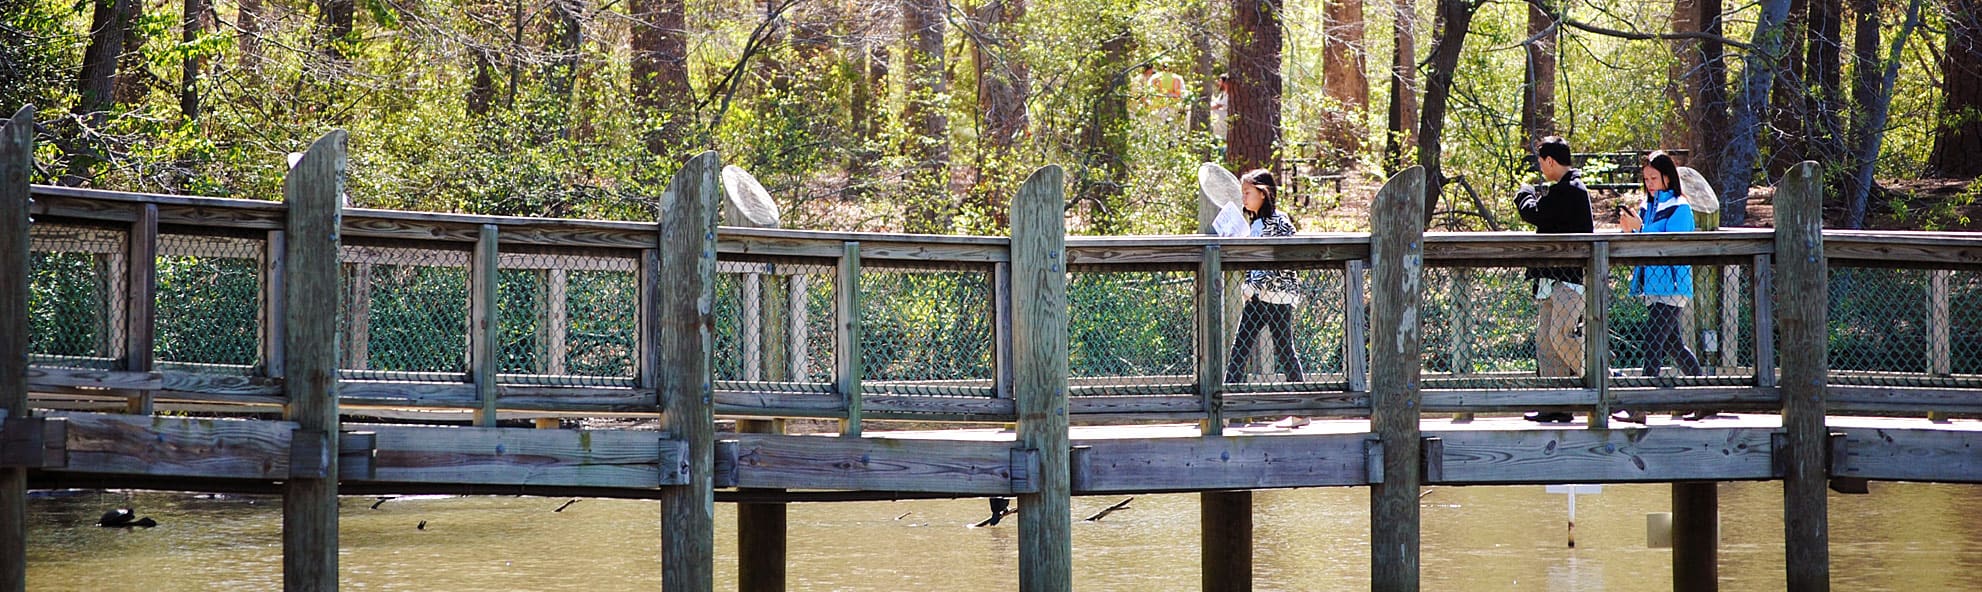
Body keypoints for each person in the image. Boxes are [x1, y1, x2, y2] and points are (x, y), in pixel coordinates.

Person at [1619, 150, 1707, 421]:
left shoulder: (1681, 207)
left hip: (1672, 284)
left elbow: (1672, 245)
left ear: (1668, 177)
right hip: (1654, 284)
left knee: (1653, 341)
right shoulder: (1649, 206)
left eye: (1654, 178)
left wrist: (1640, 229)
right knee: (1673, 345)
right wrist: (1631, 229)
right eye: (1646, 179)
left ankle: (1642, 405)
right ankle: (1706, 395)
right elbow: (1644, 239)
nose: (1650, 183)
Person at [1514, 136, 1594, 423]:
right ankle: (1554, 403)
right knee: (1546, 341)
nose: (1540, 167)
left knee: (1561, 336)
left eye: (1540, 161)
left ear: (1549, 161)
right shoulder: (1562, 189)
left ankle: (1603, 380)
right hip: (1551, 279)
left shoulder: (1571, 190)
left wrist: (1524, 192)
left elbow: (1535, 213)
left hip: (1568, 280)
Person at [1225, 170, 1304, 395]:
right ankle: (1227, 404)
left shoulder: (1273, 221)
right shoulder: (1264, 222)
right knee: (1246, 348)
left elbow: (1276, 259)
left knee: (1278, 350)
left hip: (1272, 296)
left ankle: (1301, 408)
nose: (1244, 198)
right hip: (1266, 297)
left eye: (1248, 192)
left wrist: (1253, 287)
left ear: (1263, 193)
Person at [1209, 74, 1231, 143]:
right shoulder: (1223, 93)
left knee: (1213, 114)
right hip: (1221, 113)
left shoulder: (1228, 94)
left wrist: (1207, 108)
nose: (1218, 83)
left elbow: (1218, 105)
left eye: (1220, 81)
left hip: (1224, 115)